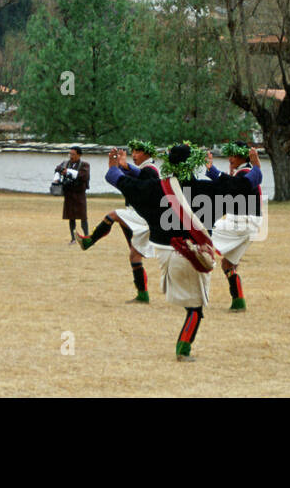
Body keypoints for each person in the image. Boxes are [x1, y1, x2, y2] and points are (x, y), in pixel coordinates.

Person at [106, 142, 262, 362]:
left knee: (187, 300)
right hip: (191, 253)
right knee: (195, 309)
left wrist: (114, 166)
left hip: (163, 253)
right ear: (193, 164)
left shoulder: (155, 188)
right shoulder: (209, 190)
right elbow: (247, 184)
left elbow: (117, 180)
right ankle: (183, 349)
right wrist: (256, 165)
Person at [79, 139, 159, 303]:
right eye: (133, 152)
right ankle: (143, 295)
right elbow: (129, 178)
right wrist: (118, 166)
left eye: (137, 152)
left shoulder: (150, 170)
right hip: (142, 216)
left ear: (147, 153)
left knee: (113, 215)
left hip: (143, 217)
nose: (134, 155)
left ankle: (89, 241)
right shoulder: (144, 169)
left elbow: (136, 185)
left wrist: (120, 167)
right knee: (134, 256)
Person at [206, 142, 265, 311]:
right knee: (228, 264)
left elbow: (236, 186)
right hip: (248, 223)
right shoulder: (245, 172)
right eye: (229, 154)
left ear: (243, 156)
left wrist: (213, 172)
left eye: (234, 155)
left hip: (243, 222)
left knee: (202, 233)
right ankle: (238, 302)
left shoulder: (246, 173)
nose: (230, 158)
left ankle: (194, 286)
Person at [56, 146, 90, 243]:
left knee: (83, 216)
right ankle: (73, 238)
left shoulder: (84, 165)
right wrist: (60, 171)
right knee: (71, 217)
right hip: (69, 193)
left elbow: (84, 176)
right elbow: (58, 169)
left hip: (79, 193)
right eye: (70, 154)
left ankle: (87, 237)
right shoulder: (66, 163)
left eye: (73, 154)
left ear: (79, 155)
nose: (71, 156)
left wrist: (69, 172)